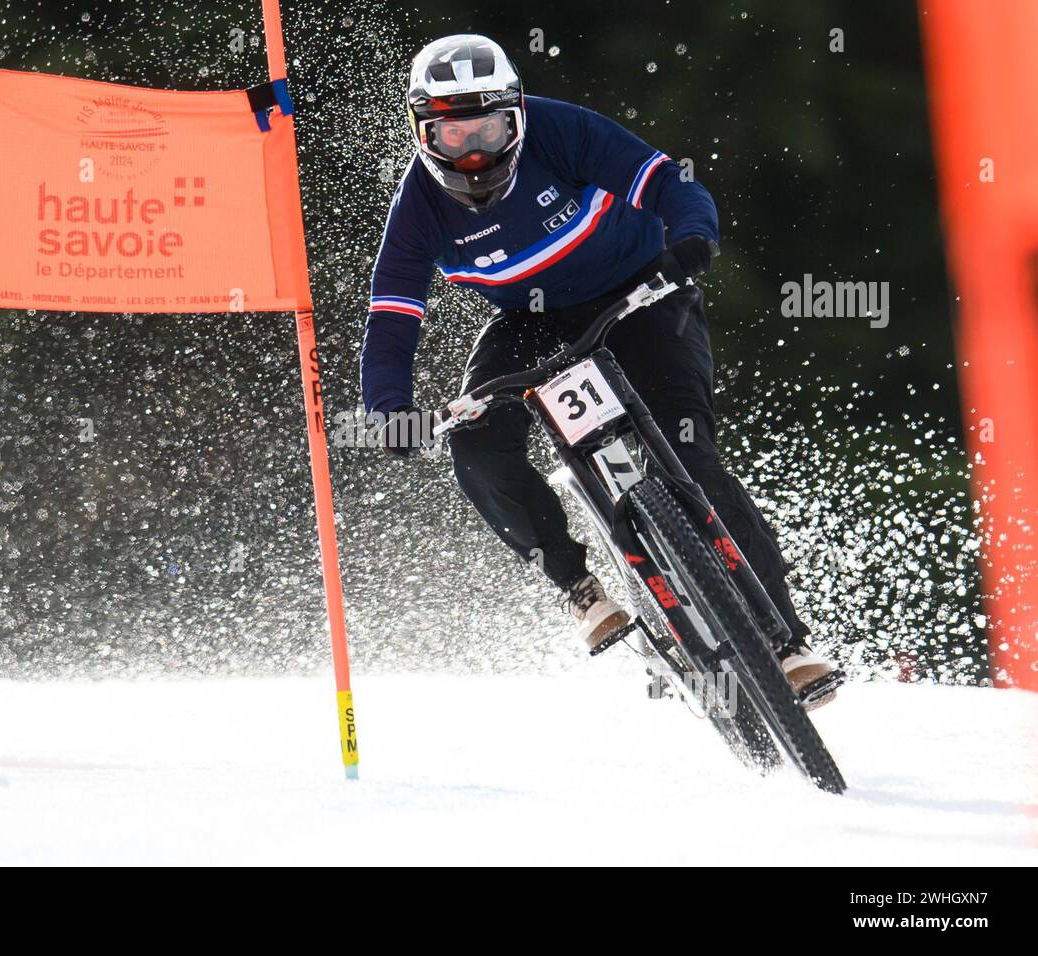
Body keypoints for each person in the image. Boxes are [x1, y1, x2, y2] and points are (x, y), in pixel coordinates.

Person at [359, 34, 839, 707]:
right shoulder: (417, 209)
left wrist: (692, 236)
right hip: (530, 319)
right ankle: (576, 585)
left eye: (490, 128)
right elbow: (392, 317)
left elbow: (670, 183)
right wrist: (387, 410)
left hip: (640, 292)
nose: (473, 151)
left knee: (692, 457)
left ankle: (787, 641)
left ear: (518, 116)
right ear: (422, 134)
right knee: (475, 446)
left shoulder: (563, 130)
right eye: (451, 134)